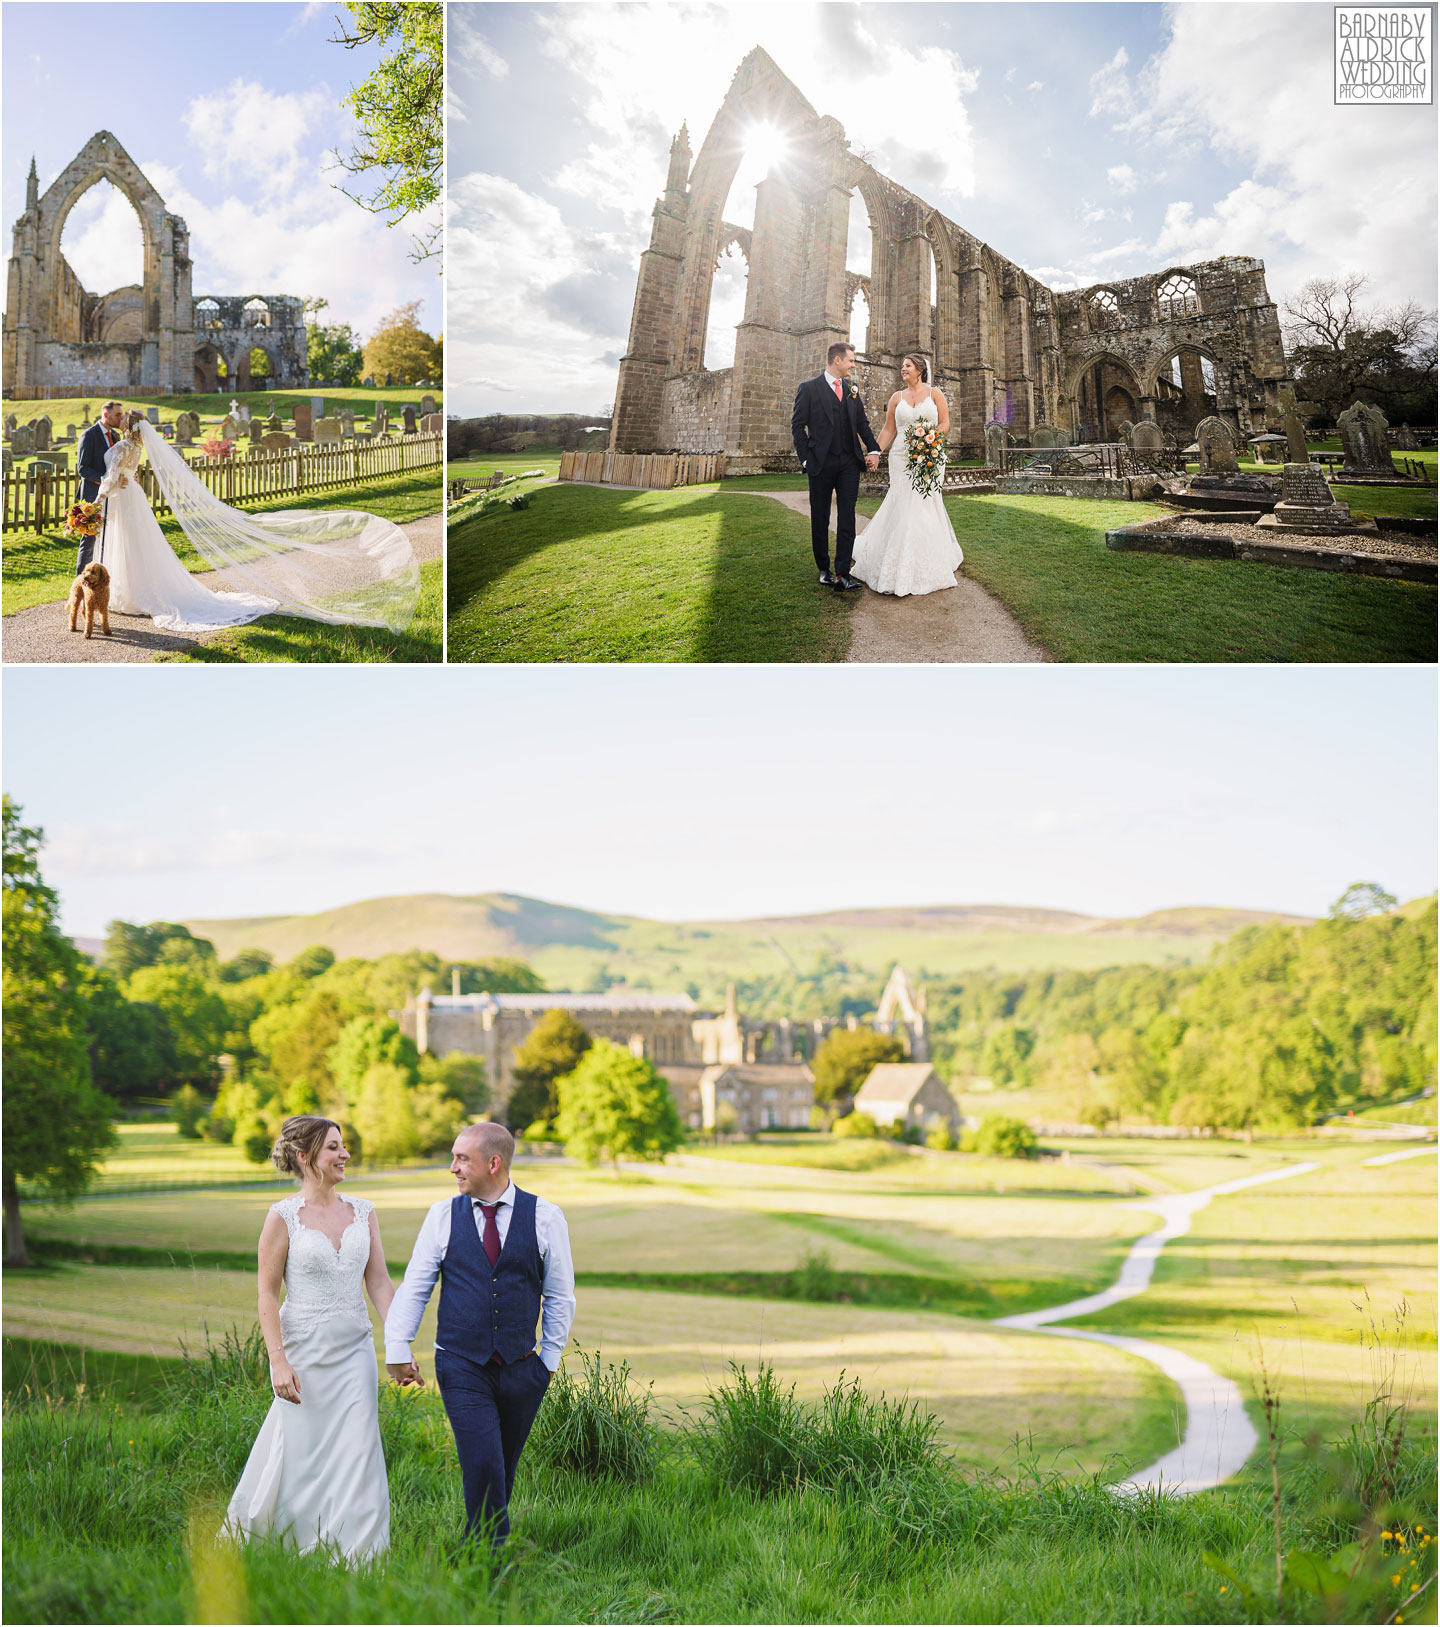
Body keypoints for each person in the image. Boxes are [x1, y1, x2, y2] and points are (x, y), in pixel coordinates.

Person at [384, 1122, 576, 1551]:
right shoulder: (441, 1216)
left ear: (493, 1163)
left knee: (502, 1467)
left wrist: (547, 1362)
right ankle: (493, 1561)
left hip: (523, 1367)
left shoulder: (545, 1217)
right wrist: (398, 1348)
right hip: (460, 1362)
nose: (452, 1168)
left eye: (461, 1159)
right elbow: (416, 1286)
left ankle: (477, 1553)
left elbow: (560, 1296)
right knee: (483, 1459)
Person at [225, 1117, 394, 1561]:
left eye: (344, 1146)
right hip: (303, 1352)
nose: (345, 1155)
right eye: (333, 1147)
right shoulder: (283, 1217)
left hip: (355, 1350)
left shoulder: (364, 1211)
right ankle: (291, 1543)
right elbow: (266, 1291)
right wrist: (277, 1361)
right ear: (304, 1157)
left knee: (359, 1451)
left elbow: (378, 1284)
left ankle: (360, 1558)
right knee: (300, 1452)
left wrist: (398, 1343)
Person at [91, 411, 419, 635]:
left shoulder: (122, 445)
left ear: (126, 427)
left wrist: (94, 504)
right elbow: (128, 475)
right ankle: (132, 592)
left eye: (122, 420)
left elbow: (109, 479)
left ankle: (128, 594)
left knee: (128, 545)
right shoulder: (136, 447)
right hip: (133, 500)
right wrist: (120, 484)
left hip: (122, 502)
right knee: (139, 546)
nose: (119, 422)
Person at [849, 354, 964, 597]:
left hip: (929, 455)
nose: (903, 369)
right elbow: (889, 429)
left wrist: (927, 438)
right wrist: (875, 452)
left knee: (923, 504)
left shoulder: (935, 394)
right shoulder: (896, 398)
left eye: (908, 366)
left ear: (920, 370)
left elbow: (945, 424)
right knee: (902, 503)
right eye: (902, 366)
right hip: (901, 457)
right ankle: (895, 560)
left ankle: (924, 560)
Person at [790, 342, 881, 591]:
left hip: (849, 463)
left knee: (847, 516)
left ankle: (843, 572)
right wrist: (806, 459)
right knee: (820, 517)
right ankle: (824, 569)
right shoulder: (809, 389)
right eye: (851, 360)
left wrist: (873, 449)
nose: (854, 364)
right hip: (820, 463)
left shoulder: (852, 389)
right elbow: (797, 426)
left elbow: (862, 423)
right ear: (837, 360)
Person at [74, 401, 126, 573]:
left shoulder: (116, 436)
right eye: (117, 415)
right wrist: (106, 481)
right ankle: (81, 585)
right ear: (106, 415)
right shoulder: (89, 435)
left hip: (113, 497)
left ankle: (101, 586)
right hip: (92, 496)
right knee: (89, 541)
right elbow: (82, 468)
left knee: (109, 540)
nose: (121, 418)